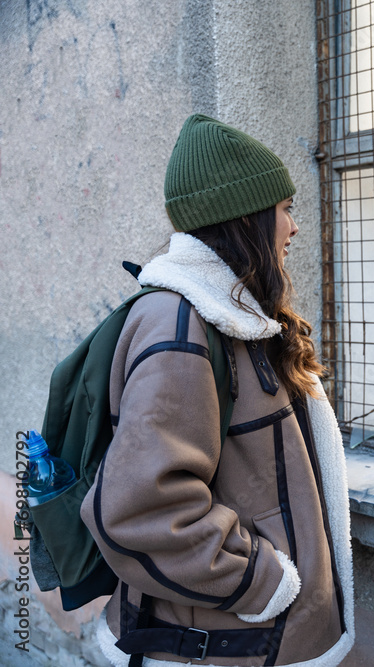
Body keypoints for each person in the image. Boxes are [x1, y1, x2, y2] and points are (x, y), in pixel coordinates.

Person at [80, 114, 354, 666]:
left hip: (244, 642)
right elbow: (142, 510)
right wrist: (263, 581)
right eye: (284, 209)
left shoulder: (227, 313)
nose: (293, 227)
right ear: (246, 219)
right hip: (219, 645)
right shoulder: (180, 325)